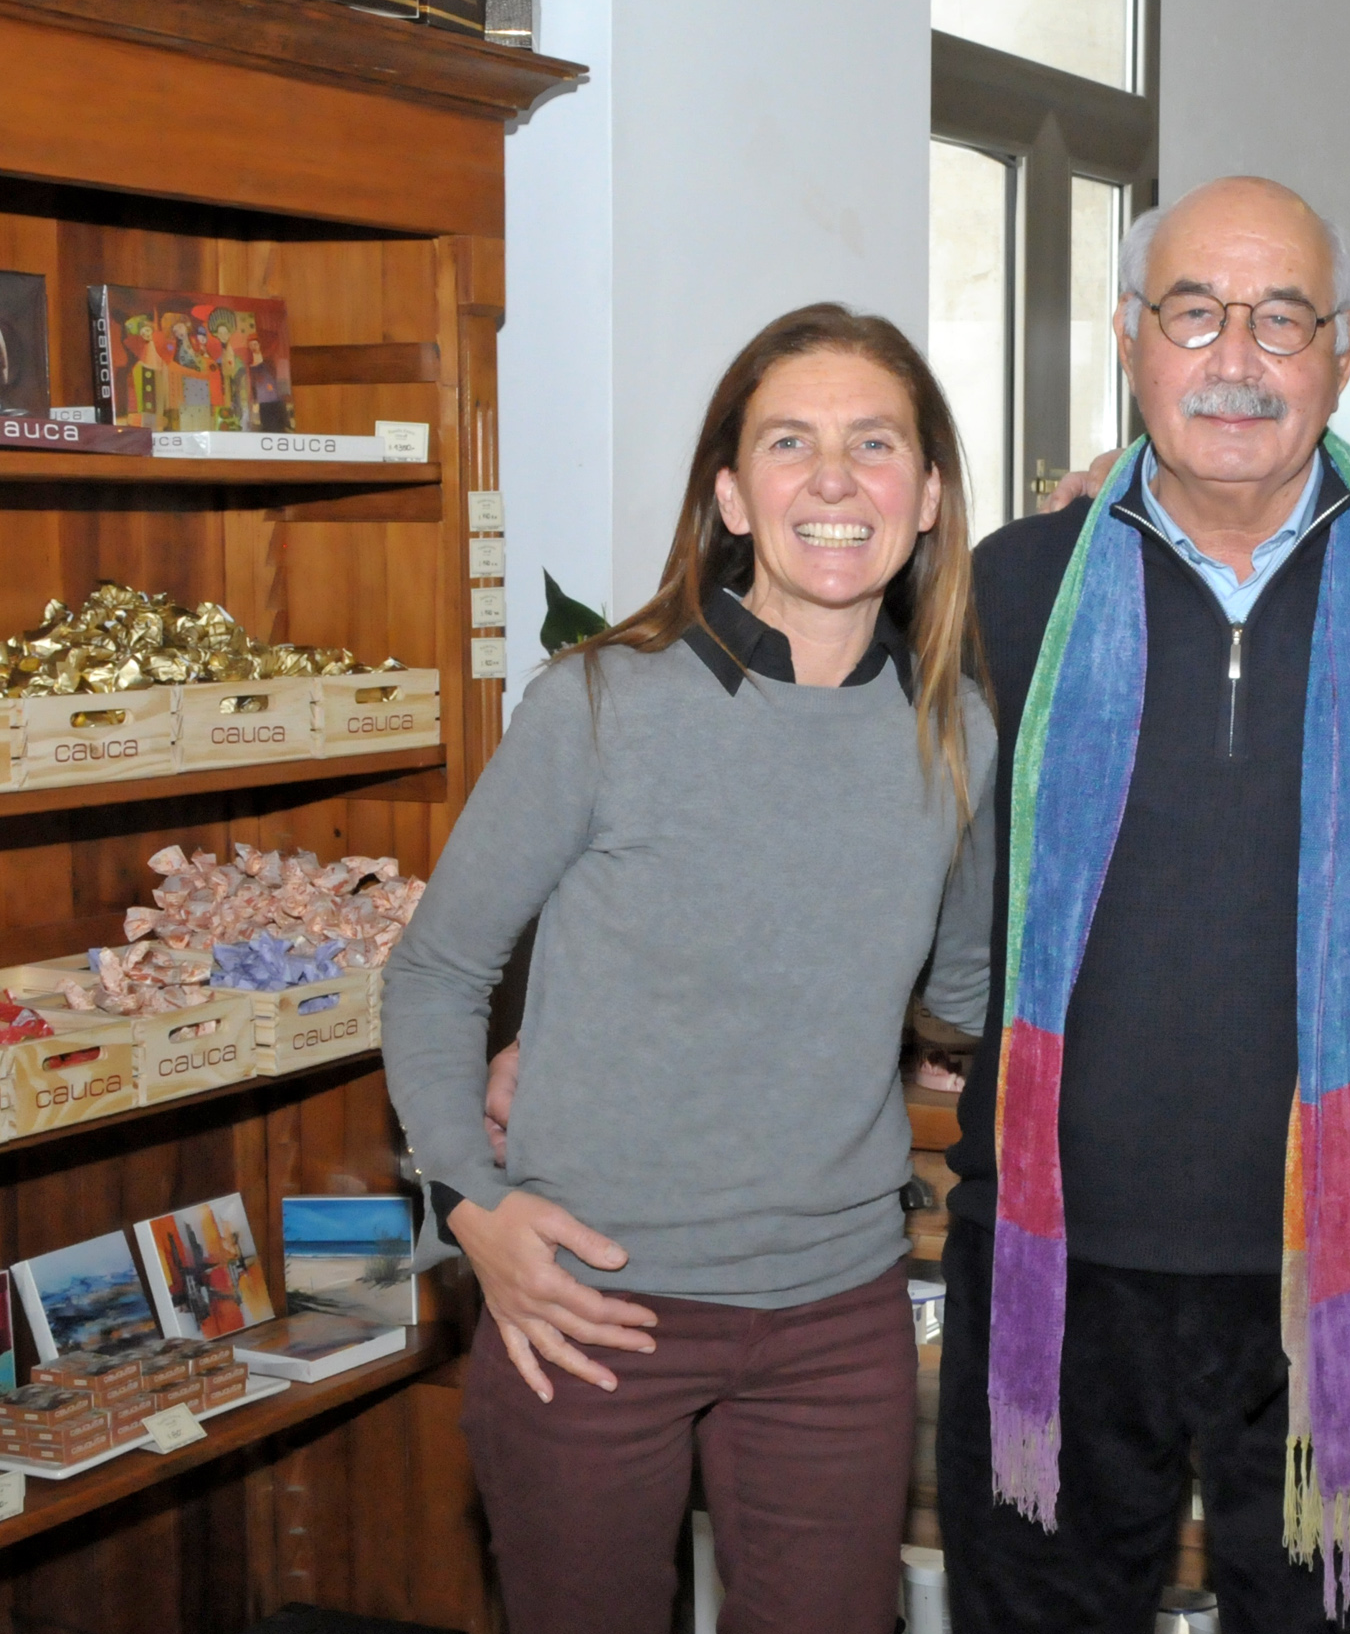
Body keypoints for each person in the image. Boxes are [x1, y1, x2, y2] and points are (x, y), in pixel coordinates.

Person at [936, 176, 1350, 1632]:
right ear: (1127, 339)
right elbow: (856, 851)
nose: (1234, 359)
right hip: (1054, 1264)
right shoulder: (1009, 590)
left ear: (1343, 351)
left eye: (1280, 319)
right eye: (1194, 314)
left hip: (1342, 1275)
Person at [382, 304, 994, 1634]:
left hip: (837, 1315)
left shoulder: (957, 738)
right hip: (587, 1306)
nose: (834, 479)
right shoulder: (601, 706)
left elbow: (960, 993)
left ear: (930, 495)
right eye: (790, 443)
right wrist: (473, 1210)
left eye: (874, 445)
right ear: (731, 493)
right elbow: (433, 972)